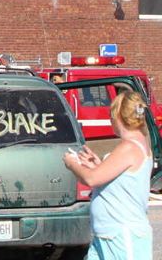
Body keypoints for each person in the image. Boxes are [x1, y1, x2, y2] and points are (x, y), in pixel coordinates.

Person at [63, 90, 153, 260]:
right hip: (107, 234)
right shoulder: (137, 144)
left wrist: (72, 164)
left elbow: (91, 179)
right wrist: (97, 165)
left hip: (122, 234)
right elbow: (121, 179)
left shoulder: (129, 147)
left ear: (119, 116)